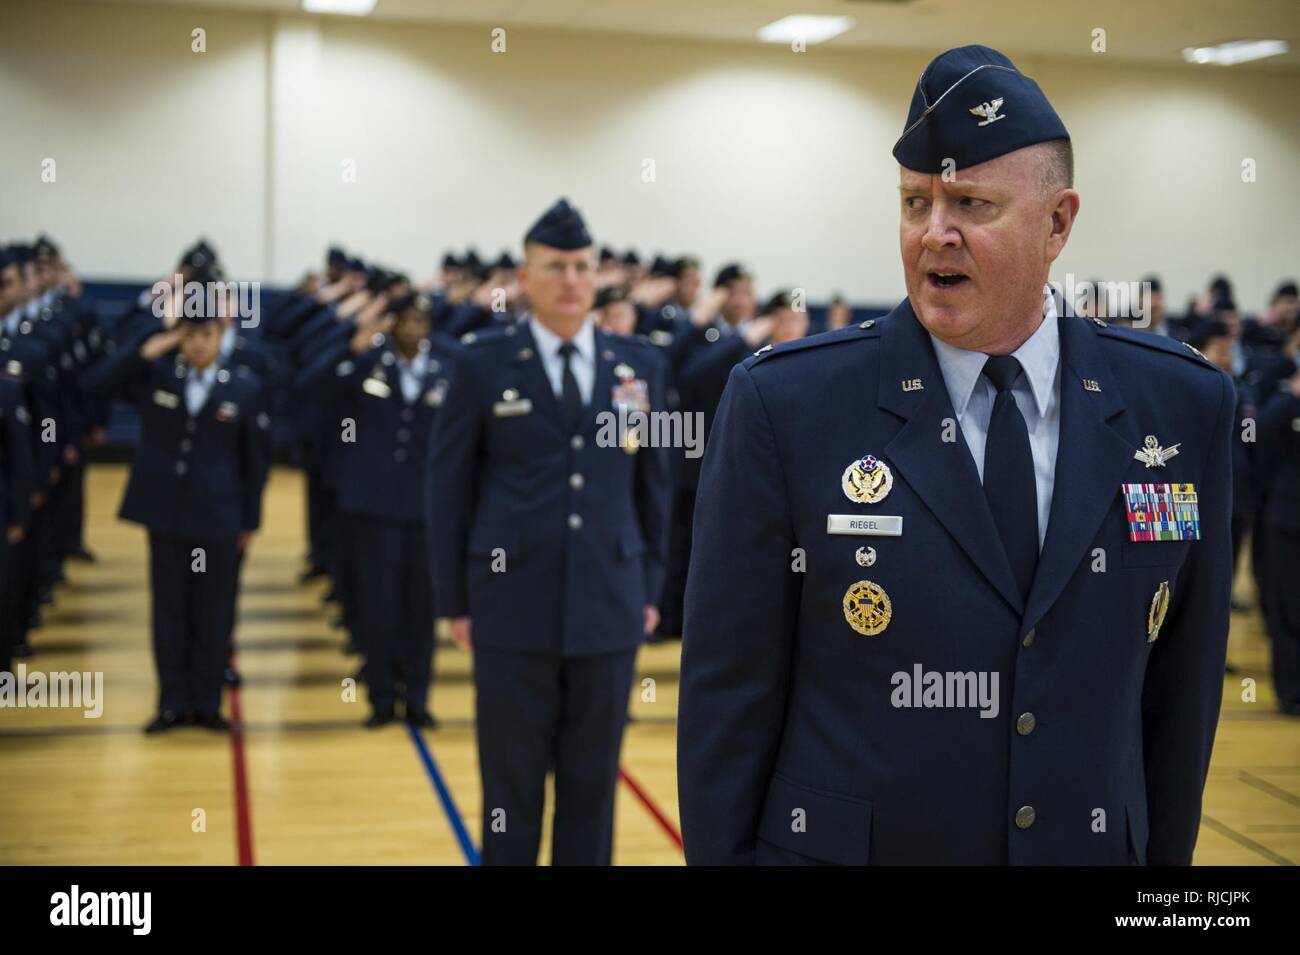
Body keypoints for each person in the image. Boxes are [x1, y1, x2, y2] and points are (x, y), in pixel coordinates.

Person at [677, 44, 1234, 865]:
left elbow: (1182, 702)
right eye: (914, 202)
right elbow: (727, 699)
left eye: (971, 202)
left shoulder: (1181, 406)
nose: (934, 233)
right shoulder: (786, 406)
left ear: (1058, 222)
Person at [428, 198, 670, 865]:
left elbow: (655, 485)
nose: (571, 280)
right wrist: (455, 599)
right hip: (509, 603)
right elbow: (448, 487)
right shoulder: (481, 363)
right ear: (525, 276)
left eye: (582, 266)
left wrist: (650, 585)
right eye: (556, 266)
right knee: (510, 788)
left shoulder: (638, 365)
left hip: (608, 602)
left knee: (592, 789)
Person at [87, 292, 270, 733]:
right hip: (167, 515)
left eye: (207, 335)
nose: (199, 345)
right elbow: (96, 384)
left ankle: (207, 704)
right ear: (180, 337)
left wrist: (250, 521)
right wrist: (153, 345)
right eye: (191, 336)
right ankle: (171, 702)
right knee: (169, 610)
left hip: (219, 519)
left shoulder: (243, 387)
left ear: (221, 334)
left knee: (214, 611)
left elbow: (255, 462)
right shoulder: (158, 377)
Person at [299, 294, 452, 727]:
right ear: (391, 324)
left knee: (422, 610)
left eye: (421, 321)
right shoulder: (365, 363)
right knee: (378, 606)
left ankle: (418, 697)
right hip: (373, 505)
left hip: (425, 509)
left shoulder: (447, 370)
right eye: (405, 321)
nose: (413, 329)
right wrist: (351, 344)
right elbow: (312, 385)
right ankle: (381, 697)